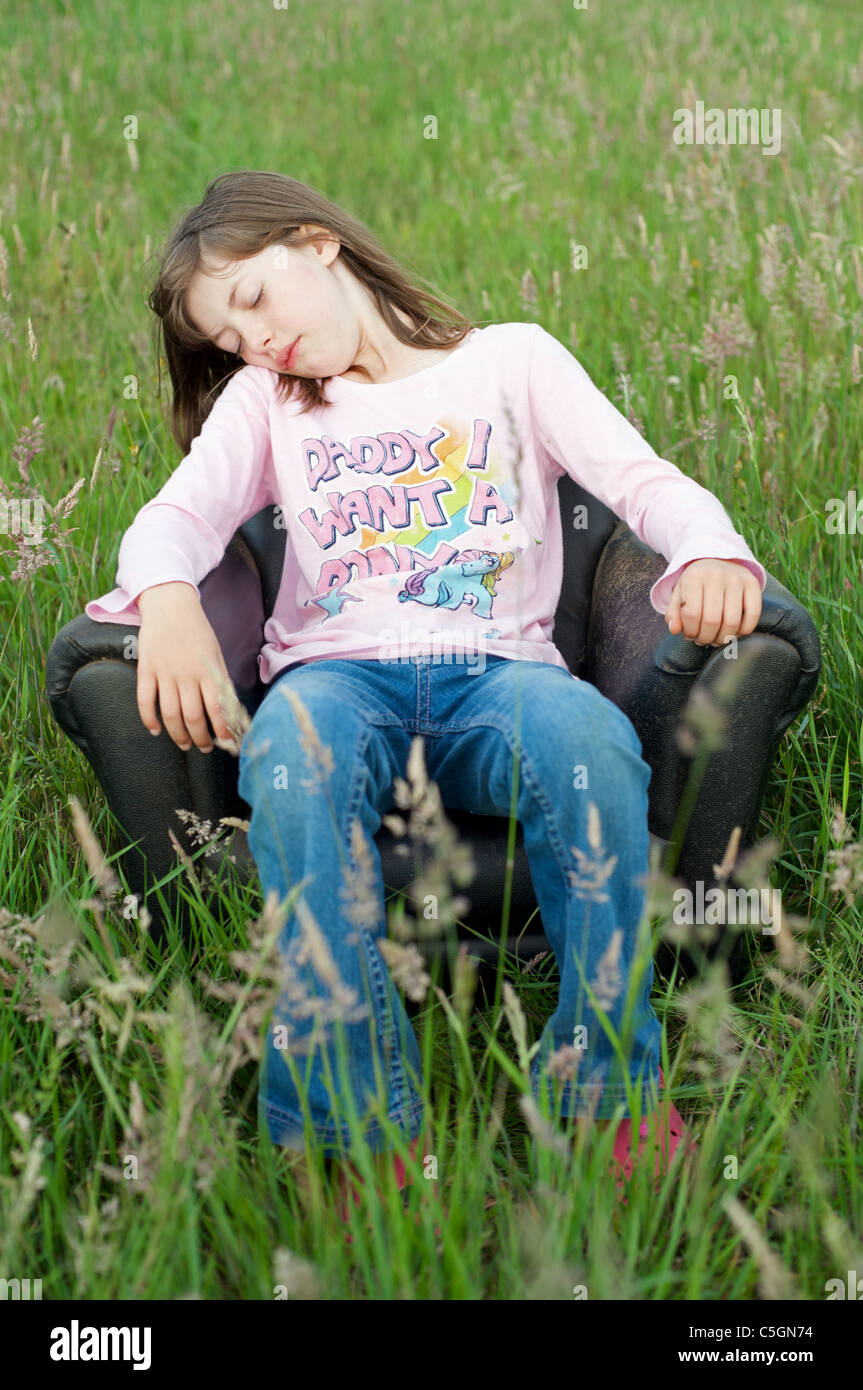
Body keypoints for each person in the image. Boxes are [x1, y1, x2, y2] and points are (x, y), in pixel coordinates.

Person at [85, 170, 765, 1224]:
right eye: (228, 338)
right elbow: (174, 516)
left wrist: (711, 549)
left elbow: (641, 481)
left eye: (254, 300)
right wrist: (166, 595)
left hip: (499, 675)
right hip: (335, 678)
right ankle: (356, 1119)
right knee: (292, 755)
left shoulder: (509, 361)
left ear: (317, 243)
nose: (253, 344)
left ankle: (604, 1089)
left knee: (587, 736)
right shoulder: (271, 406)